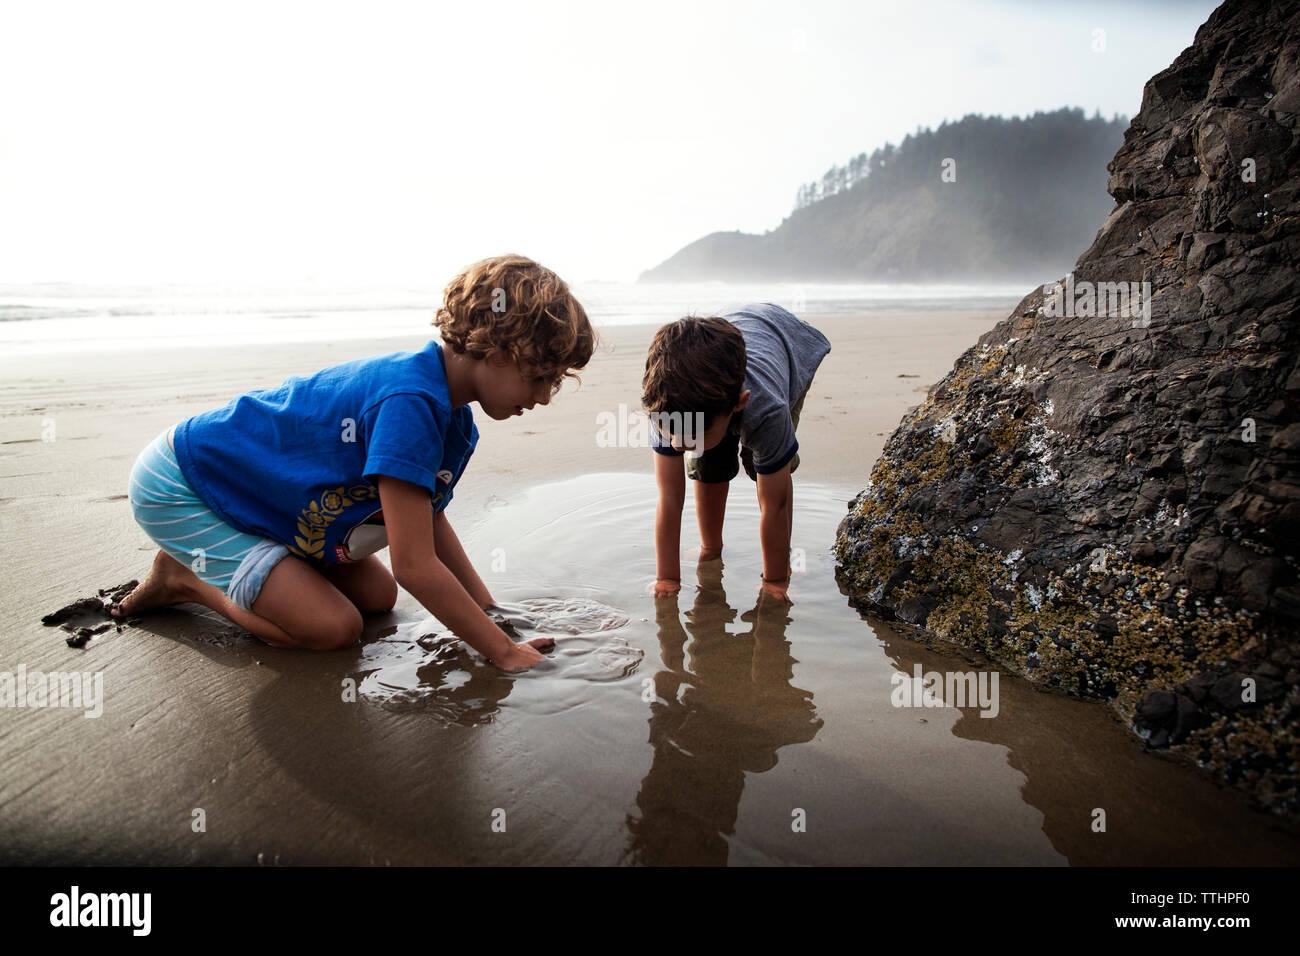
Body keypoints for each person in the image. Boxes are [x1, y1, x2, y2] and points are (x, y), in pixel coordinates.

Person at [110, 254, 594, 672]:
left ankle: (262, 572)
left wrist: (488, 612)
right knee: (333, 627)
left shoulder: (453, 420)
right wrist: (501, 652)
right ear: (497, 346)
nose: (545, 396)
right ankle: (185, 579)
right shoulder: (409, 402)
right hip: (185, 485)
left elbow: (428, 518)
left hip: (259, 495)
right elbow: (414, 565)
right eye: (540, 376)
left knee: (377, 600)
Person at [642, 303, 830, 603]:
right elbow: (670, 496)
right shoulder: (667, 405)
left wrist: (776, 581)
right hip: (718, 359)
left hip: (787, 344)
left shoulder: (768, 409)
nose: (677, 444)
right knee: (707, 461)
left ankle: (784, 558)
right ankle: (710, 546)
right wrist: (667, 578)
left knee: (769, 471)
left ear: (738, 404)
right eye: (672, 431)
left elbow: (775, 506)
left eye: (689, 434)